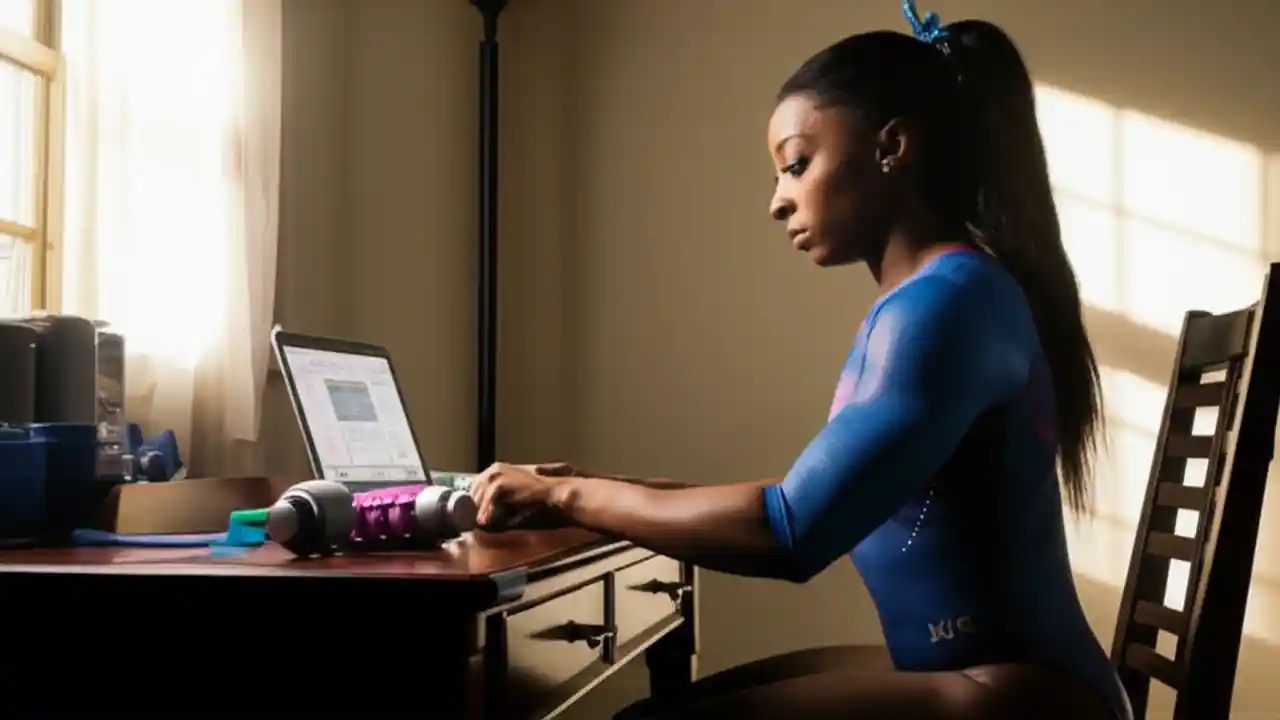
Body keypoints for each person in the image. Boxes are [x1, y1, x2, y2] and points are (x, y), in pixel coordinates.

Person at [468, 2, 1133, 718]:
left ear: (892, 147)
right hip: (976, 676)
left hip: (1020, 696)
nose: (778, 202)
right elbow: (809, 495)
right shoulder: (935, 298)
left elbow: (789, 532)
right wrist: (586, 485)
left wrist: (569, 499)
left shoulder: (946, 306)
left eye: (796, 165)